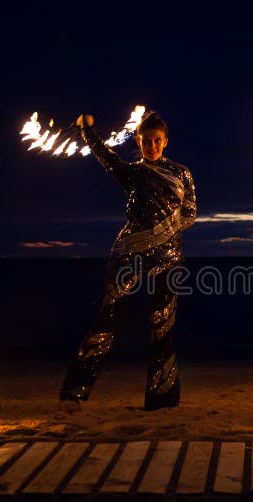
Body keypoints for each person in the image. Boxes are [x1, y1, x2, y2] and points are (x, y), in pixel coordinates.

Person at [59, 111, 196, 411]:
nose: (152, 146)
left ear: (165, 142)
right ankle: (74, 392)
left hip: (168, 257)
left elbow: (190, 212)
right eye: (146, 141)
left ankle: (162, 398)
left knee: (162, 326)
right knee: (105, 320)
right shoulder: (132, 172)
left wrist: (162, 234)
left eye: (157, 141)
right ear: (138, 141)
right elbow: (105, 156)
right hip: (128, 255)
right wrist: (87, 132)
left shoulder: (182, 173)